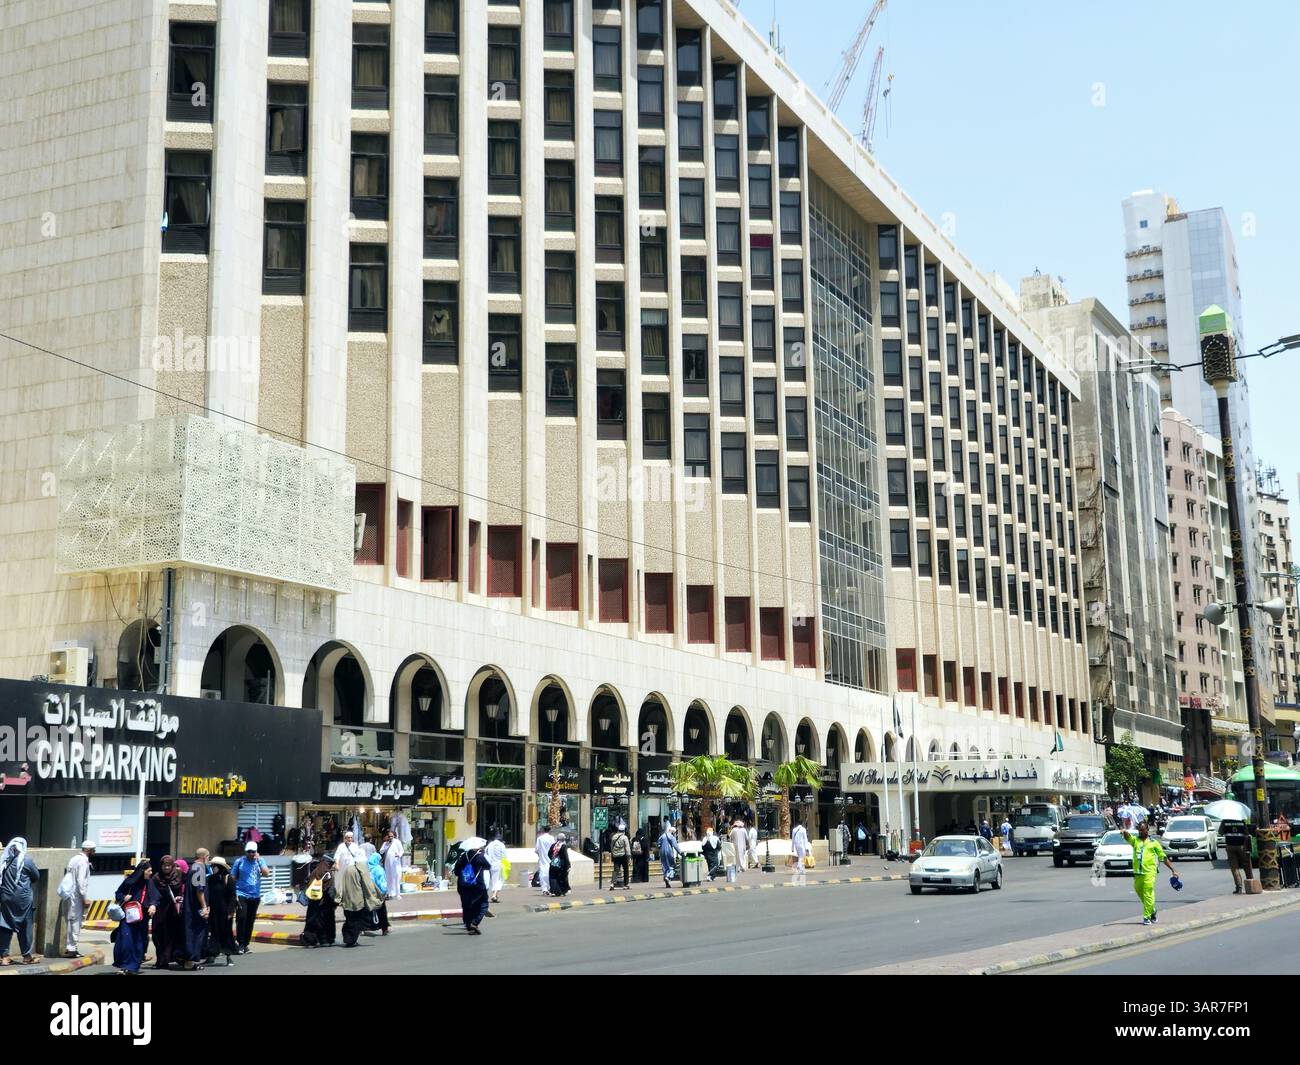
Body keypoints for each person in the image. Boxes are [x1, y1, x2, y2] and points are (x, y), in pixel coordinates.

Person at [1121, 821, 1177, 925]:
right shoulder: (1135, 841)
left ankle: (1146, 917)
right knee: (1139, 891)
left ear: (1147, 830)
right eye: (1139, 830)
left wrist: (1173, 870)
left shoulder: (1154, 843)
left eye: (1143, 830)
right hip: (1138, 873)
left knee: (1147, 893)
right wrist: (1124, 831)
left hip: (1149, 872)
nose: (1141, 832)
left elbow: (1162, 857)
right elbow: (1128, 837)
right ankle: (1152, 910)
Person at [0, 837, 41, 965]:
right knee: (25, 927)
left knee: (5, 925)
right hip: (23, 900)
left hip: (6, 898)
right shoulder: (26, 860)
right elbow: (36, 876)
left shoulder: (4, 860)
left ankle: (3, 956)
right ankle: (27, 956)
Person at [110, 858, 153, 975]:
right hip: (127, 918)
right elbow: (118, 893)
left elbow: (154, 896)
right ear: (142, 871)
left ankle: (133, 967)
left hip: (142, 918)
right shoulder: (129, 882)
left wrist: (152, 905)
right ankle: (125, 965)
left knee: (138, 942)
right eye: (149, 871)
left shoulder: (149, 883)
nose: (151, 873)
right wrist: (123, 897)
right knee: (126, 941)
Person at [231, 840, 271, 955]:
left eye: (253, 852)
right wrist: (233, 893)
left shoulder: (260, 861)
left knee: (250, 920)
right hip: (241, 894)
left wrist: (259, 860)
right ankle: (240, 942)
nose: (251, 854)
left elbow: (266, 873)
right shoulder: (239, 862)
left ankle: (246, 944)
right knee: (242, 917)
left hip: (255, 895)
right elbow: (233, 877)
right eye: (249, 852)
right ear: (246, 852)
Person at [338, 849, 383, 947]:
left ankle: (347, 937)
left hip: (347, 900)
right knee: (356, 920)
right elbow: (368, 884)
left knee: (349, 919)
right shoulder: (362, 868)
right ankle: (351, 940)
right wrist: (374, 896)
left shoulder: (348, 868)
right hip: (358, 900)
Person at [148, 854, 186, 969]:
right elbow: (152, 893)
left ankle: (176, 957)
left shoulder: (179, 875)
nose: (166, 868)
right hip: (160, 910)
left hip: (175, 910)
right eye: (164, 865)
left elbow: (186, 888)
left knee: (173, 935)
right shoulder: (156, 878)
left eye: (169, 865)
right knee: (158, 934)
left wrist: (181, 896)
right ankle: (161, 960)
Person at [60, 838, 95, 958]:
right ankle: (72, 948)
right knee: (76, 922)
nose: (94, 852)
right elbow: (81, 881)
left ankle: (71, 947)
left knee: (71, 920)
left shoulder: (74, 859)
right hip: (77, 896)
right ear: (88, 850)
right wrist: (85, 897)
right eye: (92, 850)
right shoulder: (83, 862)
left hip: (70, 894)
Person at [204, 856, 239, 966]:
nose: (212, 867)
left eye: (214, 866)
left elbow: (232, 896)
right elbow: (207, 895)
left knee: (226, 933)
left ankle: (228, 956)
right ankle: (211, 955)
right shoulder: (210, 879)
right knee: (214, 933)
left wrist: (230, 911)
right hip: (213, 912)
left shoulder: (228, 879)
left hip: (225, 912)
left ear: (219, 867)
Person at [453, 841, 492, 935]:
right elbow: (488, 866)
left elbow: (457, 871)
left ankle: (468, 925)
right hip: (478, 886)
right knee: (483, 904)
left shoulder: (462, 856)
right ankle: (475, 923)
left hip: (463, 886)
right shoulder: (479, 856)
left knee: (466, 905)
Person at [181, 848, 211, 970]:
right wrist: (204, 906)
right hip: (195, 909)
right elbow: (200, 890)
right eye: (208, 857)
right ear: (204, 857)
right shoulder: (199, 869)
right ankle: (190, 961)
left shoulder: (193, 867)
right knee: (196, 933)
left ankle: (189, 960)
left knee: (192, 932)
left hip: (191, 908)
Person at [300, 855, 337, 947]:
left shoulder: (314, 872)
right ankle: (325, 940)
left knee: (311, 921)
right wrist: (334, 902)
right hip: (323, 903)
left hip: (313, 901)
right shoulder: (327, 873)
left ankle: (309, 940)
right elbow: (330, 890)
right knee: (324, 921)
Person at [1221, 819, 1254, 894]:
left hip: (1230, 846)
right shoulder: (1241, 821)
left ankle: (1239, 888)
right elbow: (1247, 833)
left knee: (1234, 868)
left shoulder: (1225, 821)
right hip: (1241, 846)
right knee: (1247, 866)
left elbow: (1220, 832)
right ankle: (1251, 885)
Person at [366, 852, 390, 935]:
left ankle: (367, 927)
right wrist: (385, 892)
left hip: (369, 892)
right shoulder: (378, 869)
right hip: (379, 893)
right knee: (381, 910)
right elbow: (382, 882)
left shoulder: (367, 869)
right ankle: (384, 928)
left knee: (369, 910)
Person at [485, 829, 507, 905]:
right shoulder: (501, 845)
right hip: (499, 865)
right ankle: (494, 895)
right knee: (500, 880)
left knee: (494, 881)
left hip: (491, 865)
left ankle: (495, 895)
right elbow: (505, 856)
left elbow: (486, 854)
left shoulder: (489, 845)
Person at [380, 829, 404, 901]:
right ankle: (389, 893)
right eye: (389, 836)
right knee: (388, 878)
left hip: (396, 863)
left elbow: (401, 850)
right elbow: (381, 851)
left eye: (392, 836)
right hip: (388, 863)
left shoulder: (397, 842)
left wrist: (399, 855)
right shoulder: (385, 843)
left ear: (394, 836)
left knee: (396, 877)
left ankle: (398, 894)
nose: (390, 838)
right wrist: (386, 846)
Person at [534, 824, 556, 893]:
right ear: (549, 830)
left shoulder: (539, 838)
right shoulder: (552, 838)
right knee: (550, 872)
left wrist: (539, 854)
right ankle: (550, 887)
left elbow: (536, 849)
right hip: (550, 857)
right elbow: (554, 848)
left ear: (543, 830)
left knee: (542, 873)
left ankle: (544, 888)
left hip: (542, 857)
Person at [610, 822, 631, 888]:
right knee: (625, 869)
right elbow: (627, 848)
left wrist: (613, 854)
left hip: (616, 856)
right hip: (623, 856)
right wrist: (629, 857)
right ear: (624, 830)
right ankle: (626, 884)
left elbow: (611, 846)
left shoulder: (614, 837)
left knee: (616, 870)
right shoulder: (625, 838)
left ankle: (612, 883)